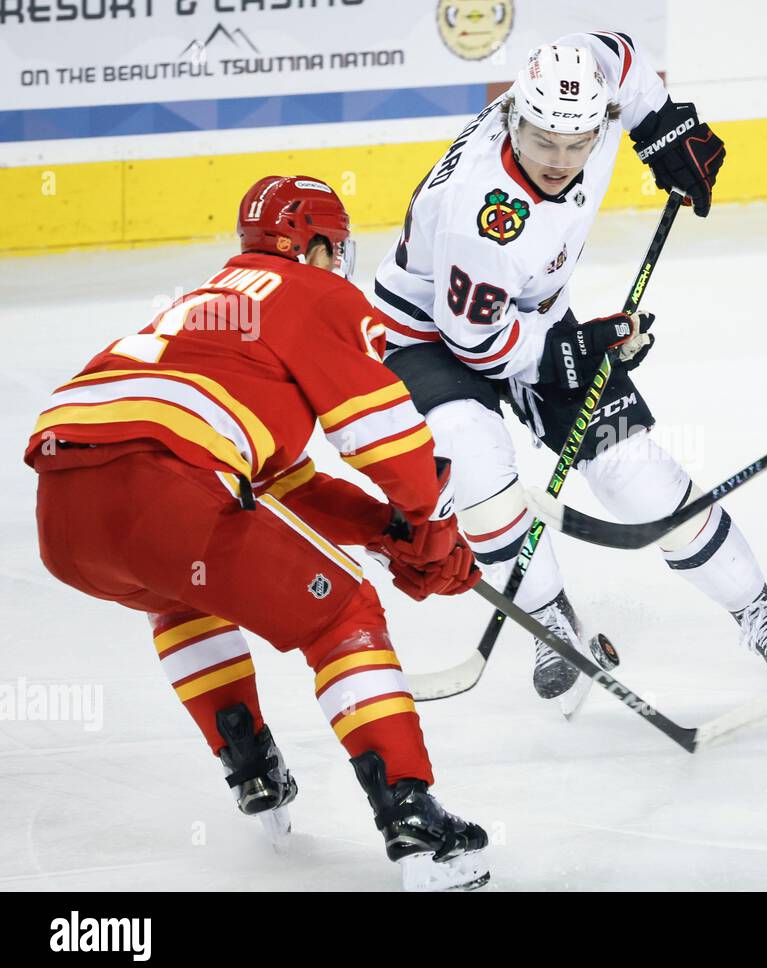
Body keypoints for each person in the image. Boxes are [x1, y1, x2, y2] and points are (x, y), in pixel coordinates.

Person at [25, 175, 490, 890]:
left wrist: (386, 528)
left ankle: (250, 764)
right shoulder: (316, 293)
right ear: (321, 246)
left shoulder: (203, 309)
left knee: (181, 585)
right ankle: (408, 809)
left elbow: (281, 487)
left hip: (65, 514)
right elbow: (387, 436)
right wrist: (430, 526)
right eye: (334, 251)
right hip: (167, 483)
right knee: (342, 610)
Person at [375, 33, 767, 709]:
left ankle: (754, 605)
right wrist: (574, 354)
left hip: (533, 313)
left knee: (629, 470)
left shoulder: (588, 97)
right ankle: (550, 618)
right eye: (543, 140)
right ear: (515, 115)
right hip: (429, 335)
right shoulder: (482, 216)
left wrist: (667, 128)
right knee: (478, 463)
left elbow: (620, 55)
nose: (560, 160)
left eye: (576, 144)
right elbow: (479, 344)